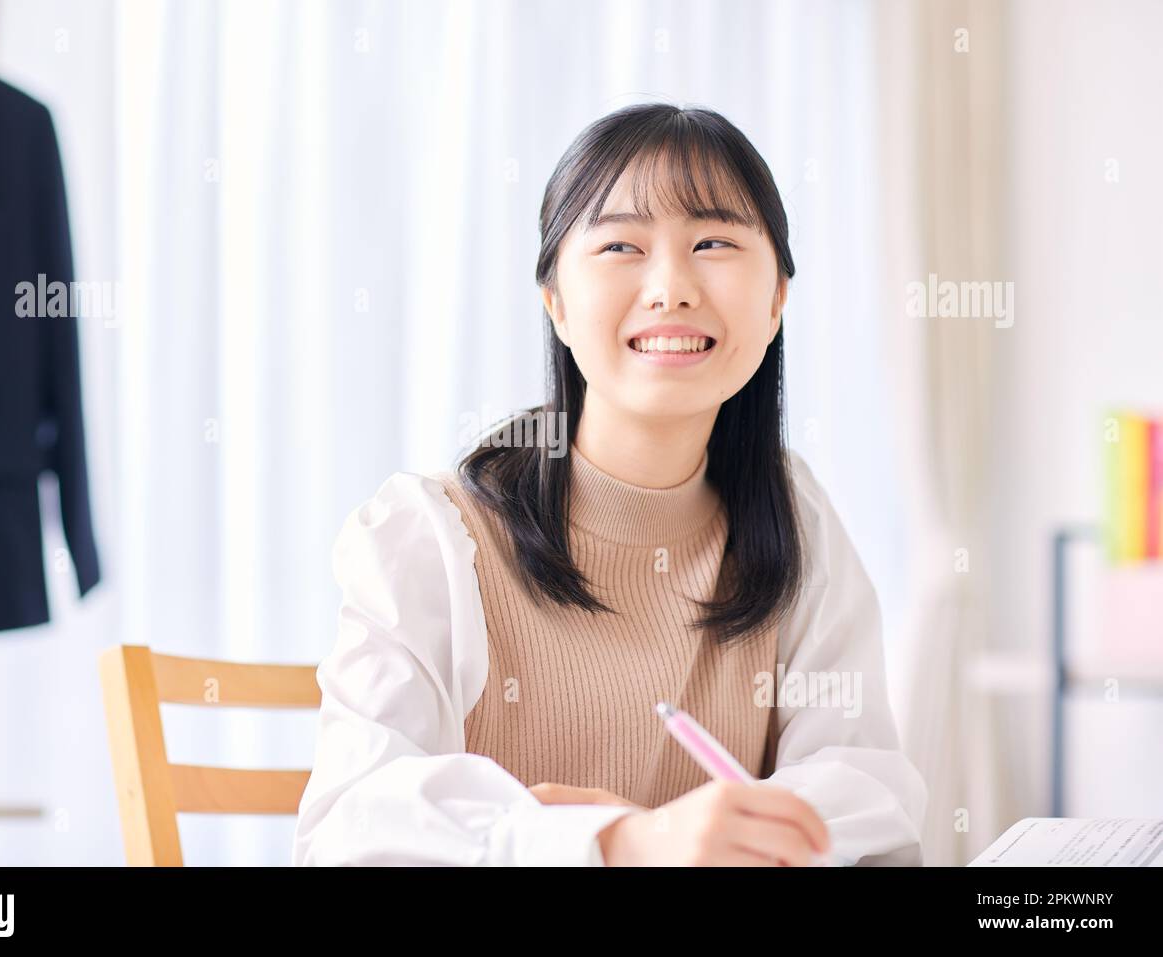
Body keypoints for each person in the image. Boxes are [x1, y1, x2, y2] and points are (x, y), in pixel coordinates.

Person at [293, 102, 927, 866]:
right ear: (555, 301)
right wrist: (621, 843)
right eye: (622, 244)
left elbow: (866, 786)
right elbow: (348, 829)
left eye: (715, 241)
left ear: (776, 301)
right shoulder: (427, 536)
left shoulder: (796, 519)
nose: (671, 288)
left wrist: (715, 834)